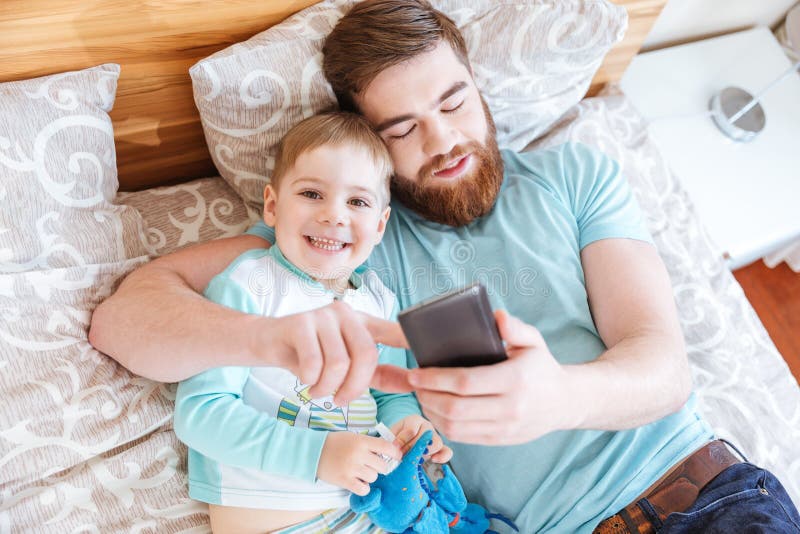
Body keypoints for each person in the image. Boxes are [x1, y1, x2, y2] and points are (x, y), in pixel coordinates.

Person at [90, 1, 800, 532]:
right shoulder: (351, 237)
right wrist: (262, 339)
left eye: (454, 102)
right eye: (402, 129)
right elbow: (126, 320)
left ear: (478, 87)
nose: (444, 139)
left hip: (697, 501)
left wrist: (557, 397)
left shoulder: (574, 174)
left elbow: (662, 367)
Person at [173, 112, 452, 534]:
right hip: (279, 518)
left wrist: (407, 426)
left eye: (357, 202)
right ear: (272, 205)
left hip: (371, 512)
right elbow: (200, 413)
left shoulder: (378, 301)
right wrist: (317, 455)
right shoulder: (249, 285)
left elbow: (389, 393)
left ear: (379, 225)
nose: (334, 216)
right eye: (311, 194)